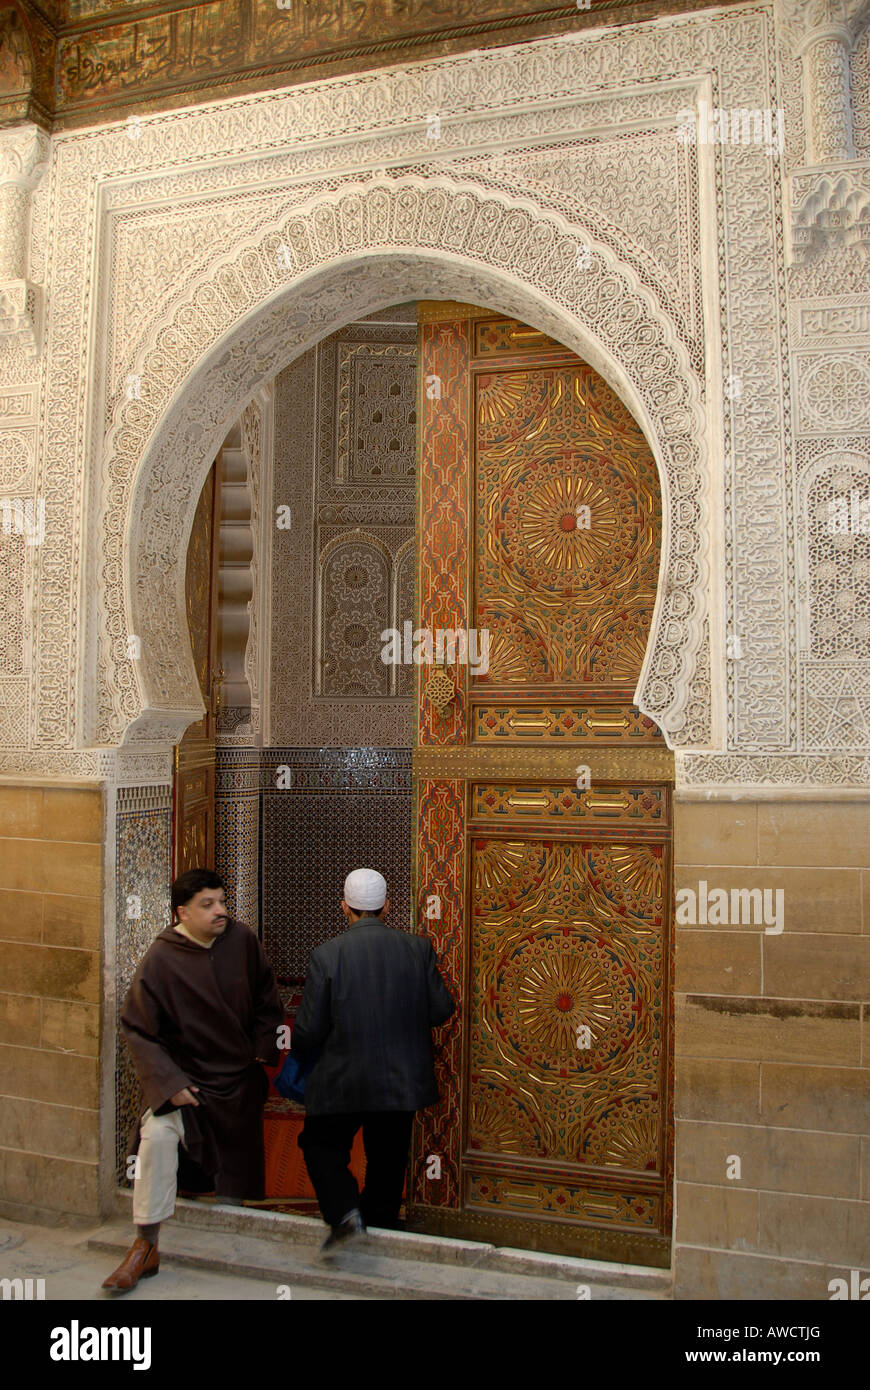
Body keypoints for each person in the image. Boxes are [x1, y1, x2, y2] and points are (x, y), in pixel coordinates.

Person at [102, 868, 283, 1293]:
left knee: (235, 1167)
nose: (221, 911)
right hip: (186, 1085)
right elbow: (137, 1027)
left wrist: (262, 1052)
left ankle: (231, 1243)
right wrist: (169, 1084)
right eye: (208, 904)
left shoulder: (241, 941)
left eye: (222, 901)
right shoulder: (161, 958)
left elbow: (267, 998)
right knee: (157, 1141)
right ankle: (145, 1246)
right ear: (182, 912)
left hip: (236, 1080)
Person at [293, 868, 455, 1253]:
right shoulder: (418, 949)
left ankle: (346, 1211)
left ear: (344, 907)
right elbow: (441, 1010)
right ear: (387, 906)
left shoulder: (326, 956)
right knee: (388, 1159)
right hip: (398, 1080)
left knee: (320, 1146)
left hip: (339, 1080)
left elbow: (307, 1032)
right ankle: (379, 1226)